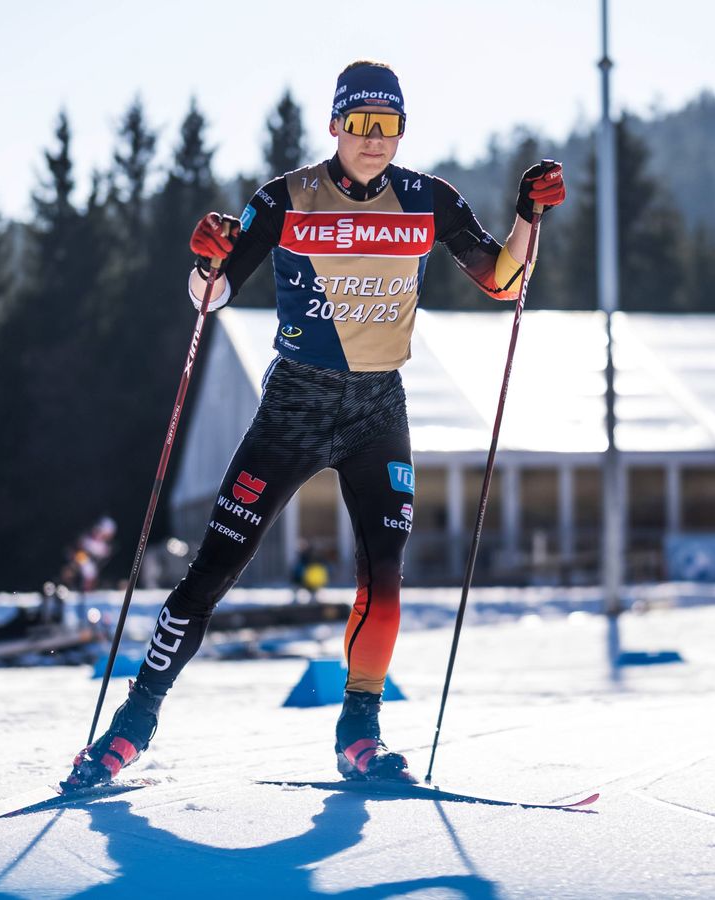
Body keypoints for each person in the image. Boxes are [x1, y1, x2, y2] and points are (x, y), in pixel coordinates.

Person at [63, 60, 564, 789]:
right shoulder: (287, 198)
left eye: (387, 125)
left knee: (384, 579)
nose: (373, 139)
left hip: (377, 411)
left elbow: (505, 282)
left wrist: (528, 215)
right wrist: (201, 261)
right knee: (211, 572)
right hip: (295, 405)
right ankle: (130, 728)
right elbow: (213, 296)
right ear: (334, 124)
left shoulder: (429, 200)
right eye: (359, 124)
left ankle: (359, 734)